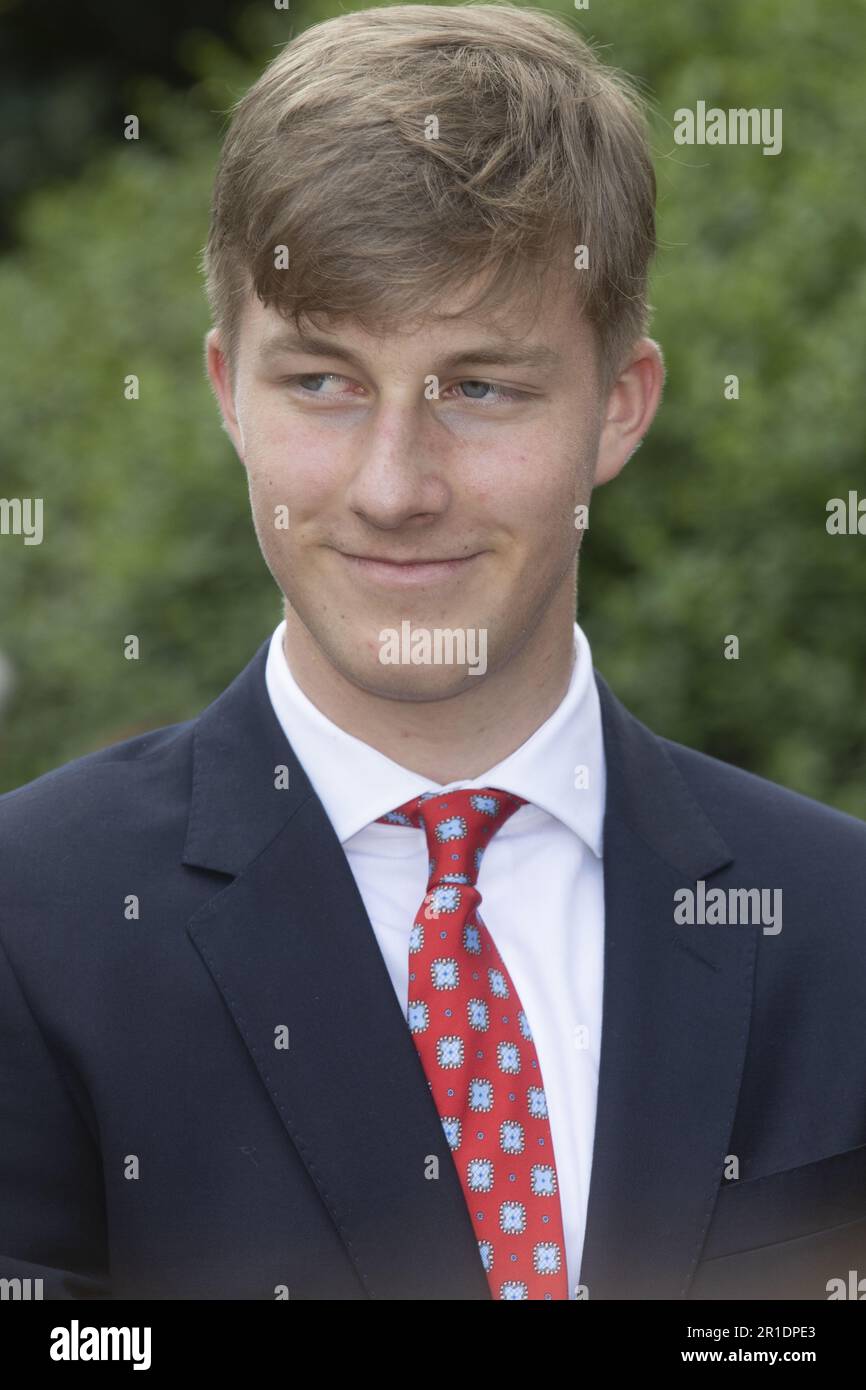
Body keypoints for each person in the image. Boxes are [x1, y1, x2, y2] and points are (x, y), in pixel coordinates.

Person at [1, 4, 864, 1303]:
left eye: (480, 388)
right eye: (324, 382)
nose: (394, 487)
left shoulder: (839, 921)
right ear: (226, 389)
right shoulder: (29, 926)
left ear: (618, 407)